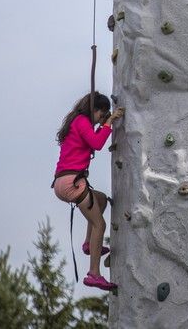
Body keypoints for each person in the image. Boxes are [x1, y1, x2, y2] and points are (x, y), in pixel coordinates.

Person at [51, 91, 124, 291]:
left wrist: (103, 125)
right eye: (102, 114)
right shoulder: (82, 121)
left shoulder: (76, 122)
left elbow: (90, 140)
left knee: (100, 200)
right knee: (100, 224)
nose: (102, 118)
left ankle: (88, 244)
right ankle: (94, 274)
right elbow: (97, 144)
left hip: (62, 181)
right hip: (72, 182)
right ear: (95, 109)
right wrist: (109, 123)